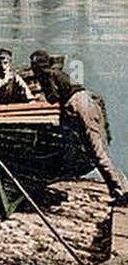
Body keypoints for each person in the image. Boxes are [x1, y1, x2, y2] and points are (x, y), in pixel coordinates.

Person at [29, 51, 128, 205]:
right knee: (100, 150)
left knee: (97, 154)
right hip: (88, 103)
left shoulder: (46, 75)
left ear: (37, 65)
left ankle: (121, 193)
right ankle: (121, 187)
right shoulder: (57, 72)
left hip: (79, 107)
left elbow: (53, 98)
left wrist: (37, 98)